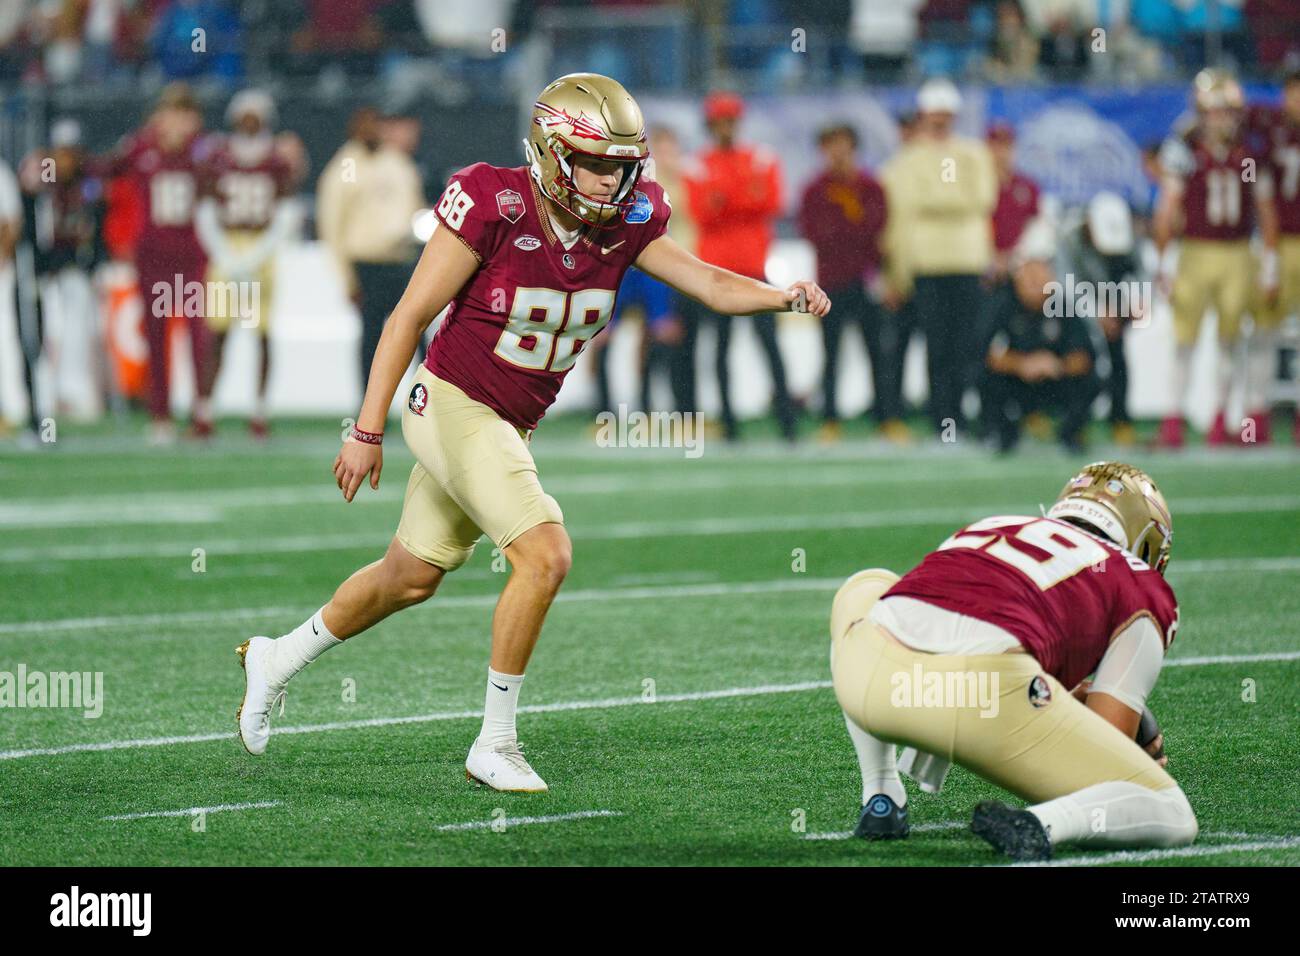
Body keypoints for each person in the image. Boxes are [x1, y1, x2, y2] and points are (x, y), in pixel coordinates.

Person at [235, 73, 830, 792]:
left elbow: (708, 281)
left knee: (409, 578)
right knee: (545, 555)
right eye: (596, 163)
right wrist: (365, 430)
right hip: (449, 400)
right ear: (551, 154)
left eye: (621, 164)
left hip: (508, 423)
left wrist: (782, 295)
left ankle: (277, 657)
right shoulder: (496, 202)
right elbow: (405, 319)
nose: (612, 181)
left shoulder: (631, 219)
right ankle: (496, 741)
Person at [829, 461, 1196, 861]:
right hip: (981, 696)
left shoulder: (995, 523)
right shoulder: (1140, 581)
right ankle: (1041, 824)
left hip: (867, 673)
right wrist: (1130, 760)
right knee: (1172, 812)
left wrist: (1063, 695)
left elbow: (950, 623)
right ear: (1146, 541)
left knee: (867, 586)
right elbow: (1105, 738)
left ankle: (881, 792)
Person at [1153, 69, 1279, 448]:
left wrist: (1269, 263)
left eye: (1228, 111)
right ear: (1202, 112)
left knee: (1229, 340)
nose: (1222, 119)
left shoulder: (1249, 153)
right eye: (1216, 111)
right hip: (1195, 249)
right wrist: (1163, 262)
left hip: (1238, 251)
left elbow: (1265, 208)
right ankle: (1173, 419)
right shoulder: (1185, 150)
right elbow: (1167, 209)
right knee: (1184, 340)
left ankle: (1220, 418)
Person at [97, 82, 217, 444]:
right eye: (171, 113)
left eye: (185, 114)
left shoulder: (205, 152)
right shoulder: (139, 148)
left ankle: (201, 412)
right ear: (158, 117)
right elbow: (101, 173)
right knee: (156, 335)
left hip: (192, 253)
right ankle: (160, 413)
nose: (177, 123)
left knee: (198, 335)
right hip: (152, 254)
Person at [882, 79, 997, 438]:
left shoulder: (973, 154)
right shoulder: (907, 160)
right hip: (927, 264)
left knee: (968, 346)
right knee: (936, 349)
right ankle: (943, 421)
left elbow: (982, 199)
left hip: (966, 262)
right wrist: (897, 273)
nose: (940, 122)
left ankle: (962, 417)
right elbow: (902, 214)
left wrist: (933, 201)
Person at [682, 91, 797, 441]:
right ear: (711, 125)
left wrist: (727, 199)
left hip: (752, 268)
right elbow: (703, 211)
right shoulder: (713, 164)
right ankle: (730, 425)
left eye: (730, 120)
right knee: (721, 349)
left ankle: (787, 423)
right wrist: (746, 196)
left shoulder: (751, 160)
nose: (726, 127)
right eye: (720, 121)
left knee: (770, 347)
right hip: (718, 273)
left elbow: (774, 202)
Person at [195, 89, 302, 440]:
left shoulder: (276, 161)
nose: (250, 121)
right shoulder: (218, 158)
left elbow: (286, 215)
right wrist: (224, 254)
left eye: (256, 115)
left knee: (262, 333)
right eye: (245, 115)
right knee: (217, 334)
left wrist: (256, 256)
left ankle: (259, 410)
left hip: (262, 248)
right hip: (228, 244)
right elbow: (206, 211)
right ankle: (205, 409)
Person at [798, 123, 903, 443]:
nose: (838, 152)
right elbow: (816, 234)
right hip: (830, 281)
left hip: (866, 279)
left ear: (854, 147)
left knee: (879, 352)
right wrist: (851, 234)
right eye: (831, 145)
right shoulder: (814, 190)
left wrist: (884, 275)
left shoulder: (871, 186)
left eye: (843, 145)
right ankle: (830, 418)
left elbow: (878, 230)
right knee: (831, 353)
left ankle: (887, 418)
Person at [317, 106, 425, 391]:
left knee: (416, 332)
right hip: (367, 264)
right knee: (372, 339)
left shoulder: (396, 162)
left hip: (402, 260)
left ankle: (429, 401)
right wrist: (346, 277)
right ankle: (369, 405)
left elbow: (413, 206)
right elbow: (332, 225)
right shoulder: (346, 165)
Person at [980, 220, 1100, 453]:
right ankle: (1002, 433)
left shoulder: (1063, 307)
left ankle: (1071, 433)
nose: (1035, 280)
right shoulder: (1002, 305)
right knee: (984, 378)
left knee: (1093, 380)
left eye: (1041, 271)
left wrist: (1057, 365)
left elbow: (1085, 355)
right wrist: (1022, 364)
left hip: (1055, 380)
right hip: (1018, 381)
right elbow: (987, 354)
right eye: (1029, 272)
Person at [1059, 192, 1144, 445]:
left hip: (1115, 300)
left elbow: (1140, 271)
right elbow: (1066, 284)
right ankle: (1074, 423)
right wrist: (1096, 313)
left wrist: (1136, 301)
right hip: (1073, 307)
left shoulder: (1130, 237)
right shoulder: (1068, 240)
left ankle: (1120, 419)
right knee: (1082, 361)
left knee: (1118, 359)